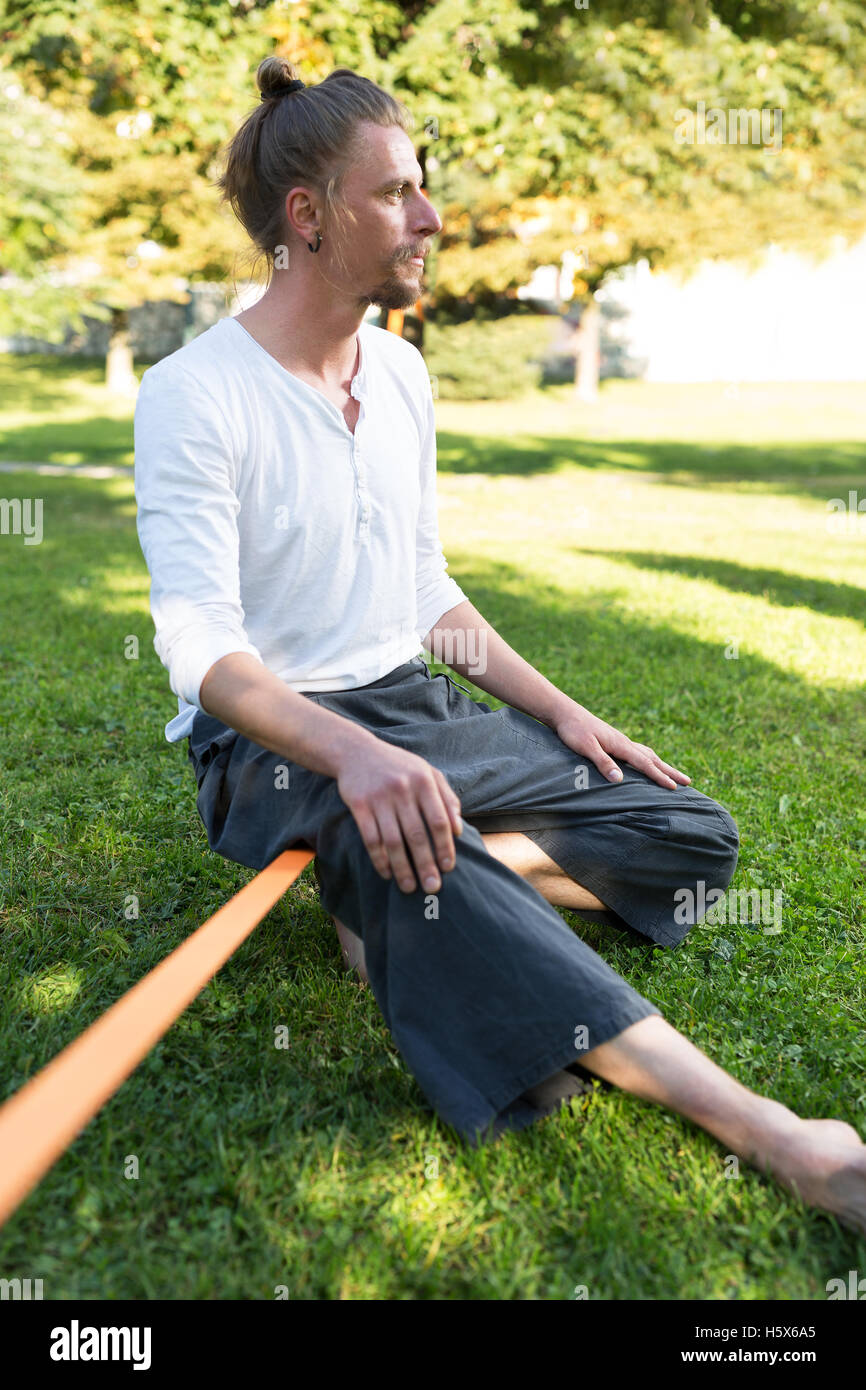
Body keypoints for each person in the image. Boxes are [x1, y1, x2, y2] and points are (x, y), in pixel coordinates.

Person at [133, 56, 866, 1236]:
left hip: (409, 711)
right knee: (404, 830)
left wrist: (564, 711)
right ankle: (782, 1139)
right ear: (307, 218)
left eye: (422, 187)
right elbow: (202, 648)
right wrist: (354, 761)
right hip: (271, 736)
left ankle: (398, 890)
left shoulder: (405, 374)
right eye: (395, 194)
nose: (429, 218)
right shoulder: (194, 394)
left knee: (683, 832)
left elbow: (423, 591)